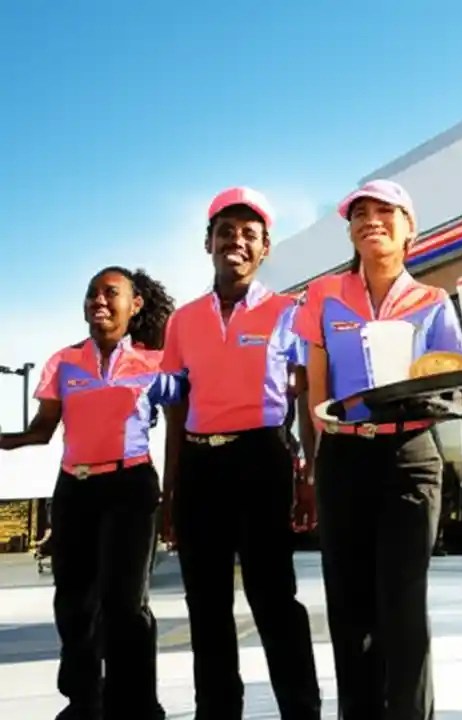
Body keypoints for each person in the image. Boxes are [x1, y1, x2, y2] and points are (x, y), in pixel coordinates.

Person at [295, 178, 462, 720]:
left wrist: (421, 397)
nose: (372, 220)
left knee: (403, 609)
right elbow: (314, 388)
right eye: (360, 213)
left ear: (409, 227)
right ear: (349, 229)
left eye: (385, 211)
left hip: (409, 458)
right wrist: (318, 458)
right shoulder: (324, 295)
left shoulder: (432, 302)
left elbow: (453, 382)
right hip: (344, 456)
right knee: (349, 610)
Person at [161, 187, 321, 720]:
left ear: (265, 248)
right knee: (205, 608)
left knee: (274, 601)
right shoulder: (181, 322)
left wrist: (307, 477)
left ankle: (301, 711)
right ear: (208, 242)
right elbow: (176, 409)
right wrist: (171, 489)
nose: (236, 241)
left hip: (264, 460)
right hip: (201, 466)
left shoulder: (288, 313)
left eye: (249, 234)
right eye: (226, 231)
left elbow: (305, 394)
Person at [0, 266, 180, 720]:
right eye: (91, 294)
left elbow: (185, 414)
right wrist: (6, 439)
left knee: (124, 604)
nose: (98, 301)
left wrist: (176, 492)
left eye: (110, 293)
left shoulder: (152, 362)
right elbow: (43, 430)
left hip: (130, 488)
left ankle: (136, 706)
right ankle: (84, 700)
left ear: (134, 305)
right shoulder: (63, 361)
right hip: (74, 489)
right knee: (74, 600)